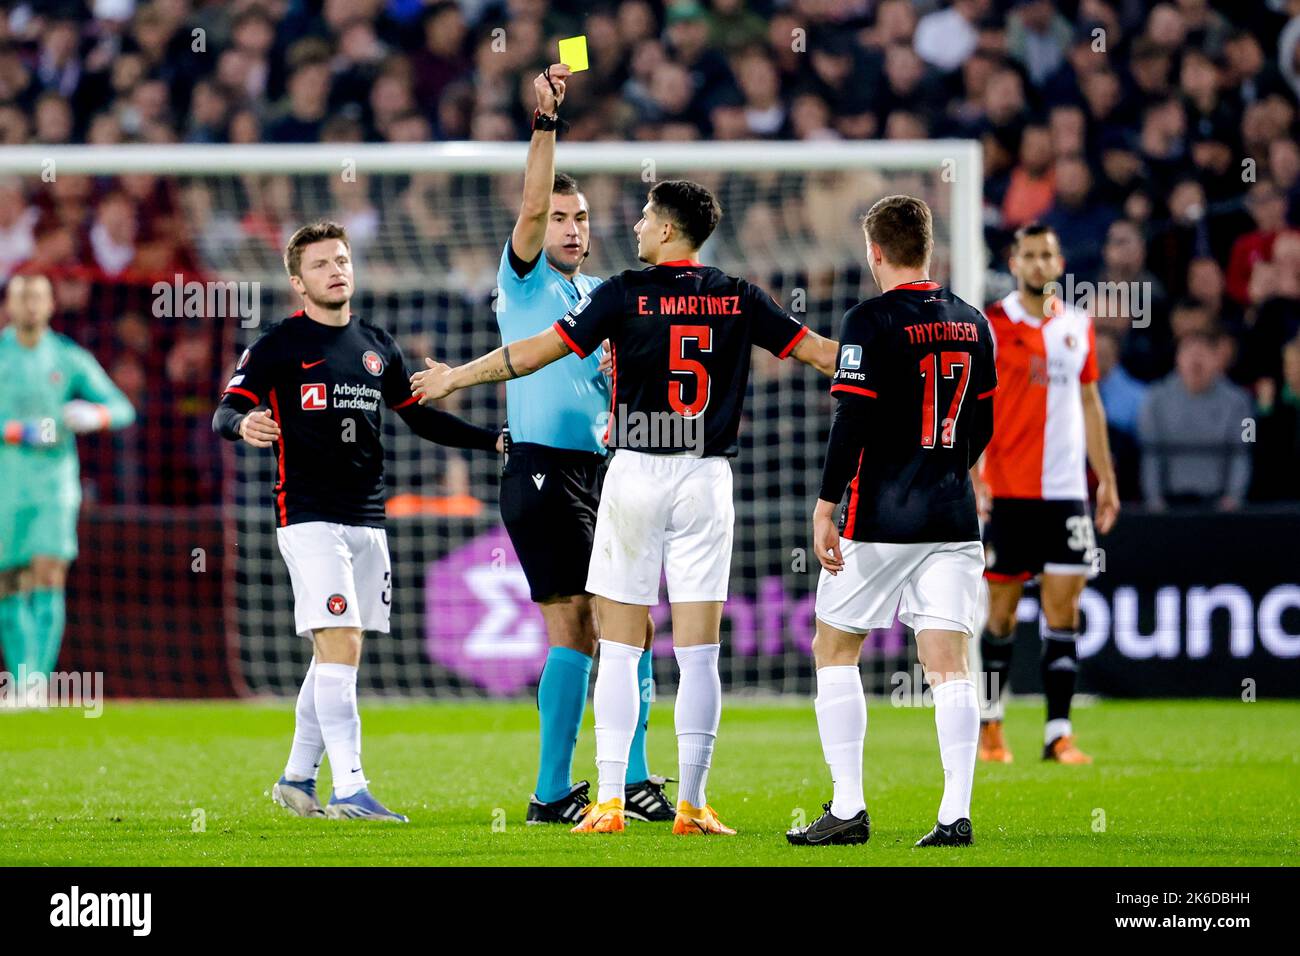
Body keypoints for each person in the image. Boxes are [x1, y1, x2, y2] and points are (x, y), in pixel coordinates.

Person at [411, 179, 837, 836]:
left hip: (633, 473)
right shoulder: (739, 294)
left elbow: (532, 354)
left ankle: (608, 799)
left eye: (643, 216)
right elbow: (819, 354)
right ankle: (691, 804)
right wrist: (883, 372)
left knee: (617, 641)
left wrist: (455, 378)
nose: (632, 225)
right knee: (696, 652)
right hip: (706, 476)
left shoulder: (621, 293)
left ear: (667, 230)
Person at [212, 221, 501, 822]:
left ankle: (296, 778)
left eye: (341, 259)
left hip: (370, 521)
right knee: (338, 644)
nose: (336, 270)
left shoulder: (377, 345)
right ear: (298, 282)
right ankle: (351, 790)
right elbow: (226, 409)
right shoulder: (278, 345)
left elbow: (421, 419)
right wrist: (242, 425)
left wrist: (493, 440)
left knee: (336, 656)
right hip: (308, 518)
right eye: (321, 264)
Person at [787, 195, 996, 848]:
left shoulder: (869, 321)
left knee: (834, 647)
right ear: (927, 248)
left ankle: (848, 806)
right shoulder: (974, 321)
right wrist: (951, 470)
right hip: (953, 515)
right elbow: (983, 423)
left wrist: (827, 506)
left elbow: (852, 420)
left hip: (881, 517)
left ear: (875, 250)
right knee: (949, 664)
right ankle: (954, 815)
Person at [496, 63, 667, 826]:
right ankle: (561, 790)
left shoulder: (594, 296)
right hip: (541, 471)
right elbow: (530, 207)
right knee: (581, 621)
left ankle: (611, 780)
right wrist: (545, 121)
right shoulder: (525, 279)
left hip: (603, 471)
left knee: (632, 620)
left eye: (581, 217)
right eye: (561, 216)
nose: (571, 226)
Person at [973, 222, 1120, 766]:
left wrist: (1104, 477)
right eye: (1029, 255)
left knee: (1064, 610)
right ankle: (991, 726)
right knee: (1002, 616)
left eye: (1046, 255)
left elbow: (1090, 403)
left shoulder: (1077, 327)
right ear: (1014, 263)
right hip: (1009, 490)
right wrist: (975, 469)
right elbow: (974, 402)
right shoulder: (992, 324)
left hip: (1066, 492)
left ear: (1059, 264)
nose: (1038, 264)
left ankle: (1058, 733)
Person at [0, 274, 135, 701]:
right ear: (10, 305)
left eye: (39, 297)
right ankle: (21, 681)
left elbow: (122, 407)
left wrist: (96, 416)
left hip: (54, 485)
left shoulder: (67, 356)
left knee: (48, 571)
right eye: (23, 298)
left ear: (51, 304)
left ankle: (34, 686)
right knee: (9, 579)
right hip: (8, 483)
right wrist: (22, 431)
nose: (31, 306)